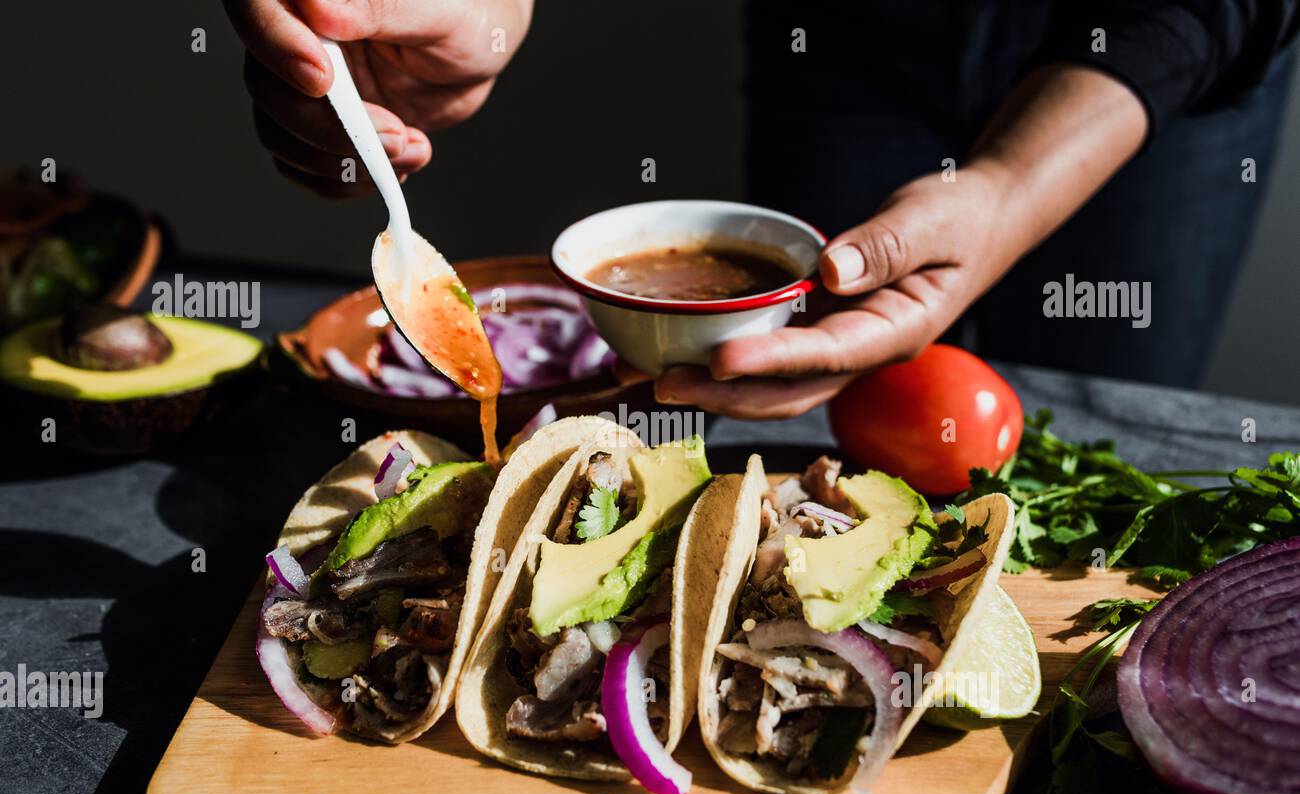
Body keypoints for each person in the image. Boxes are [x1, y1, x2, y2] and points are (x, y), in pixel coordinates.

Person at [224, 0, 1299, 419]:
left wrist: (1010, 189)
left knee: (1107, 417)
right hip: (846, 35)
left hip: (1169, 55)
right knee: (818, 404)